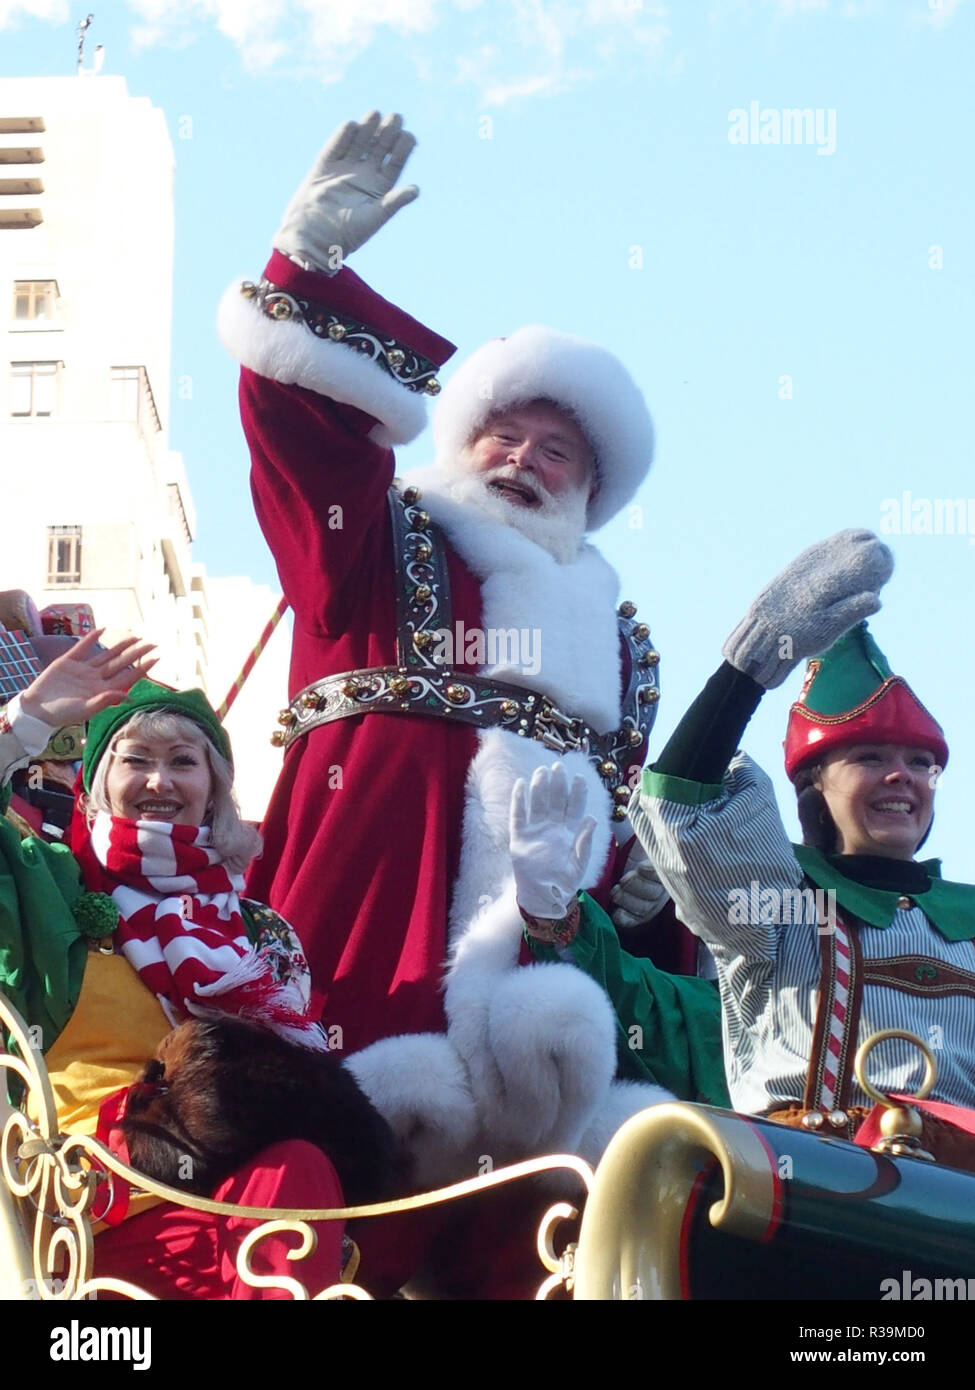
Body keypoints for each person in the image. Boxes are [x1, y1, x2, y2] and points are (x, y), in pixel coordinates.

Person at [220, 110, 672, 1163]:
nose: (524, 457)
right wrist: (307, 265)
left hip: (536, 971)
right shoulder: (385, 539)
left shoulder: (624, 647)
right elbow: (301, 434)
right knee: (309, 1161)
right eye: (503, 434)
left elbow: (639, 877)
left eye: (557, 450)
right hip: (361, 914)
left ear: (591, 488)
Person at [0, 632, 360, 1299]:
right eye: (135, 759)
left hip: (246, 1197)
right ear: (98, 784)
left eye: (184, 762)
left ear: (213, 790)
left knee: (301, 1169)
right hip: (91, 1211)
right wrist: (29, 722)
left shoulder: (264, 933)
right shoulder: (54, 888)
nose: (160, 780)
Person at [619, 529, 975, 1144]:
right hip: (808, 1198)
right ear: (813, 786)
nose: (902, 776)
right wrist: (748, 670)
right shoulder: (778, 907)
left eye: (921, 763)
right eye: (869, 757)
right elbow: (681, 799)